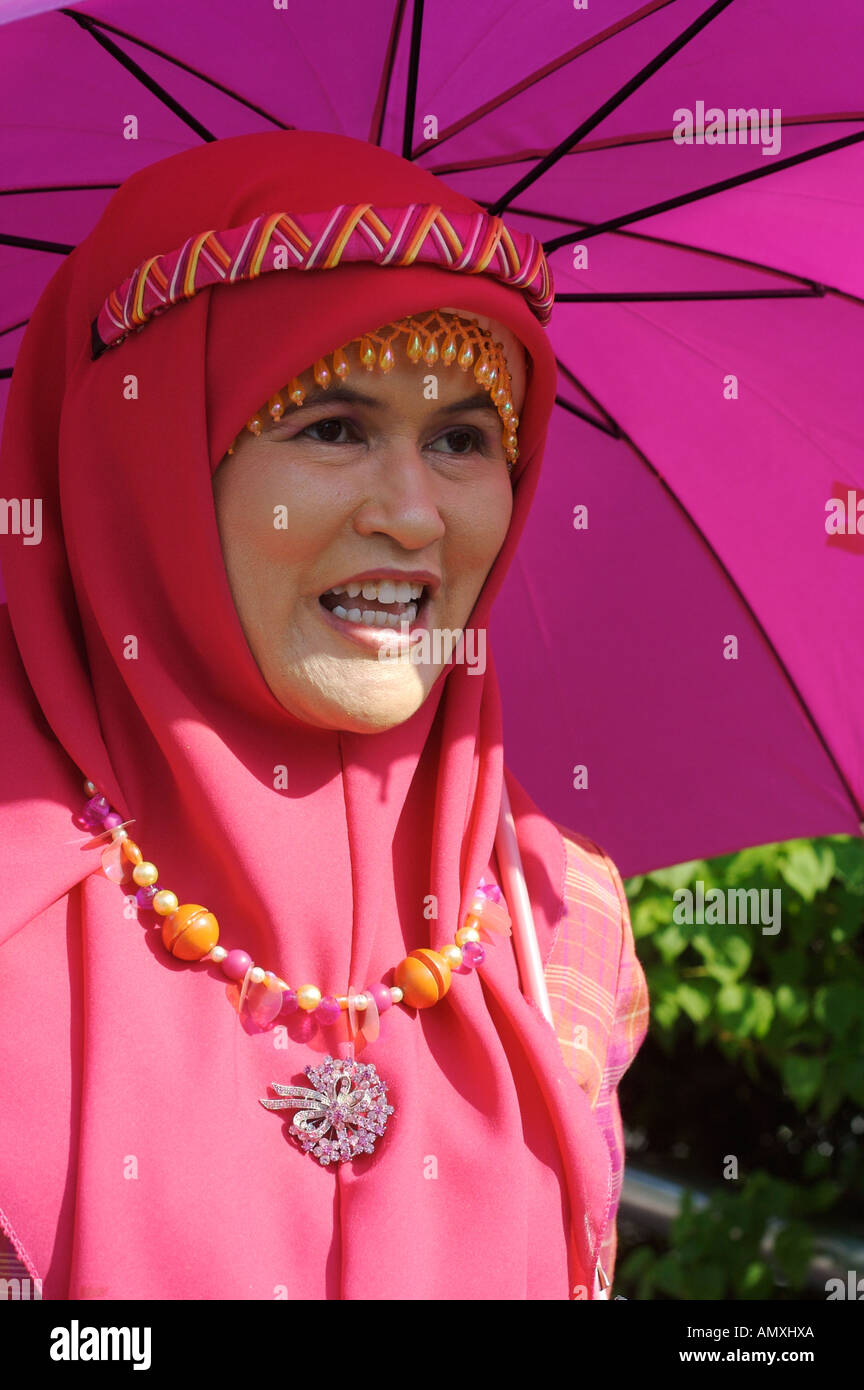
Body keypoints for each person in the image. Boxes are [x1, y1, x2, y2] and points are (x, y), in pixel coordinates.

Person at [0, 129, 648, 1300]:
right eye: (331, 425)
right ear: (137, 472)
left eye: (461, 438)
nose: (414, 516)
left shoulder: (563, 924)